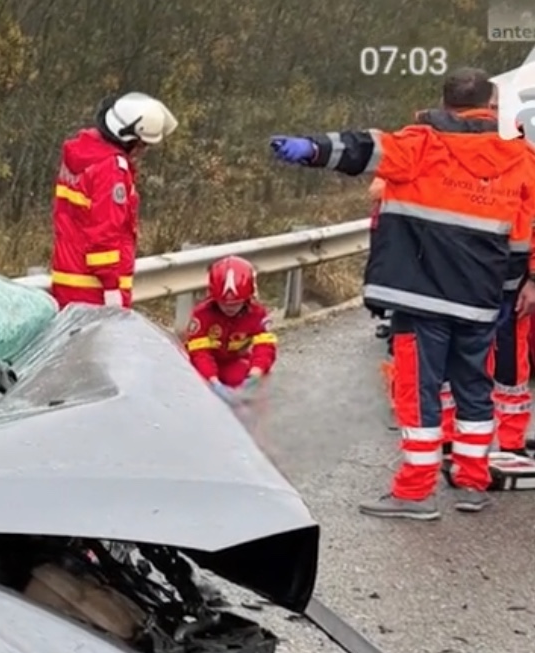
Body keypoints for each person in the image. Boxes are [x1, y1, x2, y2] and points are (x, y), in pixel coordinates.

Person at [269, 67, 535, 520]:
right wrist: (512, 289)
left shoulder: (419, 146)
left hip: (422, 298)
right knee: (474, 388)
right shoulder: (519, 161)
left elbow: (359, 148)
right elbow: (521, 239)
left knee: (419, 391)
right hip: (480, 301)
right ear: (492, 108)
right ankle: (473, 483)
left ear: (445, 102)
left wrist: (310, 148)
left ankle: (414, 494)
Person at [50, 92, 178, 309]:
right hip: (94, 290)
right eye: (142, 145)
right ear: (128, 138)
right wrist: (111, 288)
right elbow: (105, 233)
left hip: (69, 278)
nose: (142, 151)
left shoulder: (81, 153)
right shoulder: (110, 169)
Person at [183, 255, 277, 400]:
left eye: (236, 303)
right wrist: (212, 381)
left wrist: (256, 373)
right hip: (205, 365)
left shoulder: (257, 314)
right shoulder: (202, 314)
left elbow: (265, 347)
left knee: (251, 387)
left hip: (234, 362)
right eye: (224, 303)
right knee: (199, 389)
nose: (229, 308)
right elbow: (199, 353)